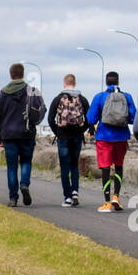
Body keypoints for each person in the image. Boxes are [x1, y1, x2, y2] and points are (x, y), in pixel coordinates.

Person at [0, 62, 46, 207]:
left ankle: (13, 198)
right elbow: (42, 109)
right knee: (26, 162)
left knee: (11, 166)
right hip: (27, 132)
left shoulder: (4, 92)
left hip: (8, 134)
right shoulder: (31, 90)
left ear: (11, 75)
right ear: (23, 75)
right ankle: (24, 184)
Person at [86, 71, 136, 212]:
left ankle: (107, 202)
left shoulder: (100, 97)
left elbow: (90, 119)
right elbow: (133, 117)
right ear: (118, 82)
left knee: (105, 168)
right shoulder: (127, 97)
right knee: (119, 166)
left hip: (104, 137)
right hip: (121, 136)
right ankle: (116, 196)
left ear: (106, 82)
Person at [47, 73, 90, 207]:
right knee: (74, 165)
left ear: (64, 83)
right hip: (77, 136)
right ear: (74, 83)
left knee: (65, 167)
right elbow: (89, 119)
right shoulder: (82, 99)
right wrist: (81, 130)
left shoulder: (58, 98)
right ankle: (75, 191)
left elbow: (50, 119)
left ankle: (67, 197)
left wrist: (58, 132)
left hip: (63, 136)